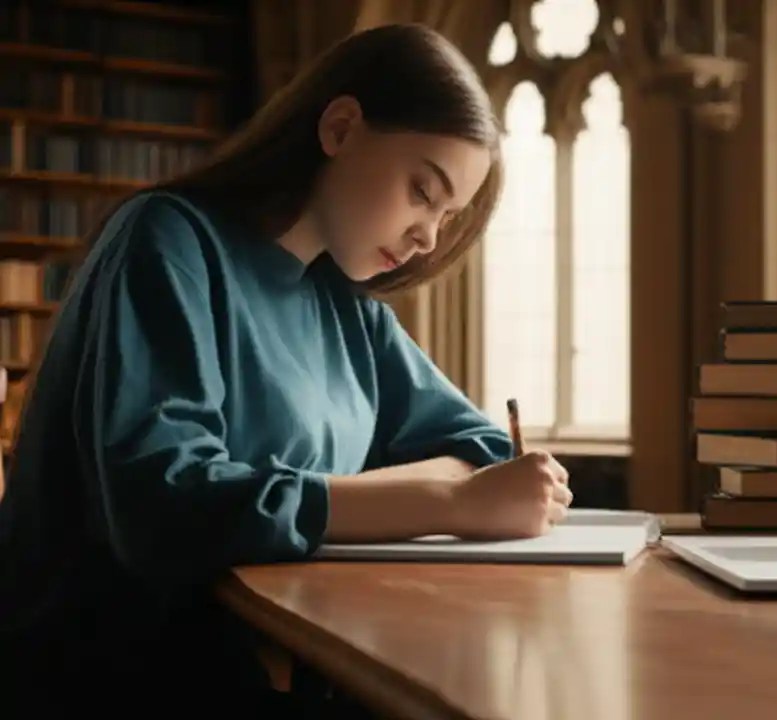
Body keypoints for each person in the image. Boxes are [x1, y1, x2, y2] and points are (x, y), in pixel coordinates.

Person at [0, 24, 572, 711]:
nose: (428, 237)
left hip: (276, 650)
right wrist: (445, 502)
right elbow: (166, 503)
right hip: (120, 676)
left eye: (448, 216)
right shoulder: (169, 241)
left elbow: (479, 451)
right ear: (339, 127)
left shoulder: (348, 307)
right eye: (423, 189)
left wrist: (445, 492)